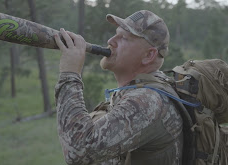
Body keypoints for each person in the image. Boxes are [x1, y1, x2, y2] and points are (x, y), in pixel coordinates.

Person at [54, 10, 183, 165]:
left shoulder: (148, 100)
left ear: (148, 56)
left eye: (124, 38)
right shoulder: (138, 89)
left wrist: (70, 73)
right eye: (116, 34)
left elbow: (78, 150)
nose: (111, 41)